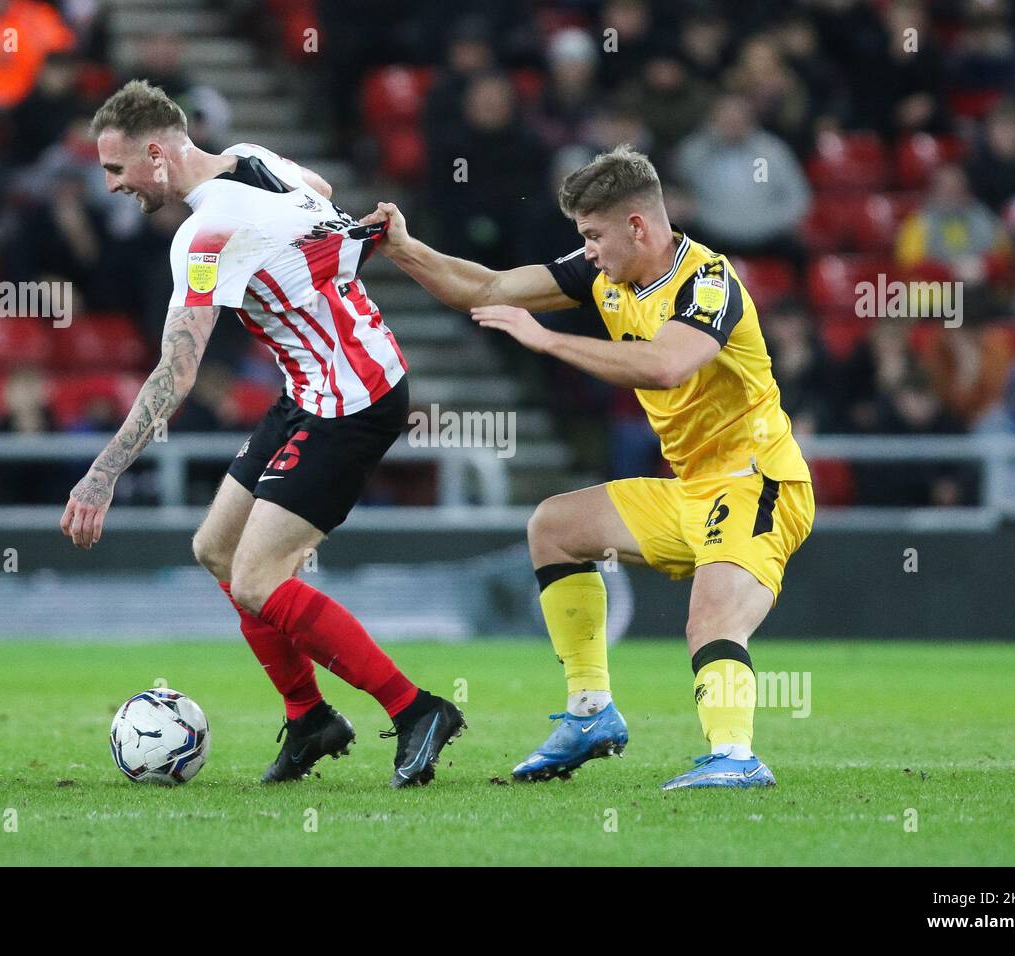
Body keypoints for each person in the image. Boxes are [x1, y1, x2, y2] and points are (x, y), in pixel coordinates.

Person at [364, 146, 814, 790]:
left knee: (712, 619)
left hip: (758, 482)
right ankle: (590, 713)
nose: (589, 250)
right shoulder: (603, 273)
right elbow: (488, 287)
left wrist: (546, 339)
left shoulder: (708, 284)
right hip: (692, 488)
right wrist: (405, 249)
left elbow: (666, 364)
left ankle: (736, 756)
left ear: (638, 226)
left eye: (594, 234)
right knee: (556, 526)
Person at [60, 80, 464, 789]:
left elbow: (176, 374)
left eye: (116, 169)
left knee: (257, 578)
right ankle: (310, 718)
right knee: (215, 550)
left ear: (156, 154)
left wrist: (102, 474)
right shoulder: (257, 157)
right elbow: (323, 194)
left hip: (352, 399)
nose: (113, 186)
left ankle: (416, 709)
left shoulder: (205, 235)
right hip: (310, 387)